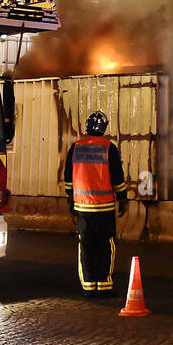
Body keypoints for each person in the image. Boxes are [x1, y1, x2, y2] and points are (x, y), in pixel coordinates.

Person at [61, 110, 128, 296]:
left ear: (87, 126)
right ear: (104, 128)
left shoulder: (76, 147)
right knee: (106, 246)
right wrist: (123, 199)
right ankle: (104, 286)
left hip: (82, 208)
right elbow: (117, 179)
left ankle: (88, 288)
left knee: (86, 246)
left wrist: (70, 202)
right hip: (105, 208)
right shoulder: (109, 148)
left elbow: (68, 179)